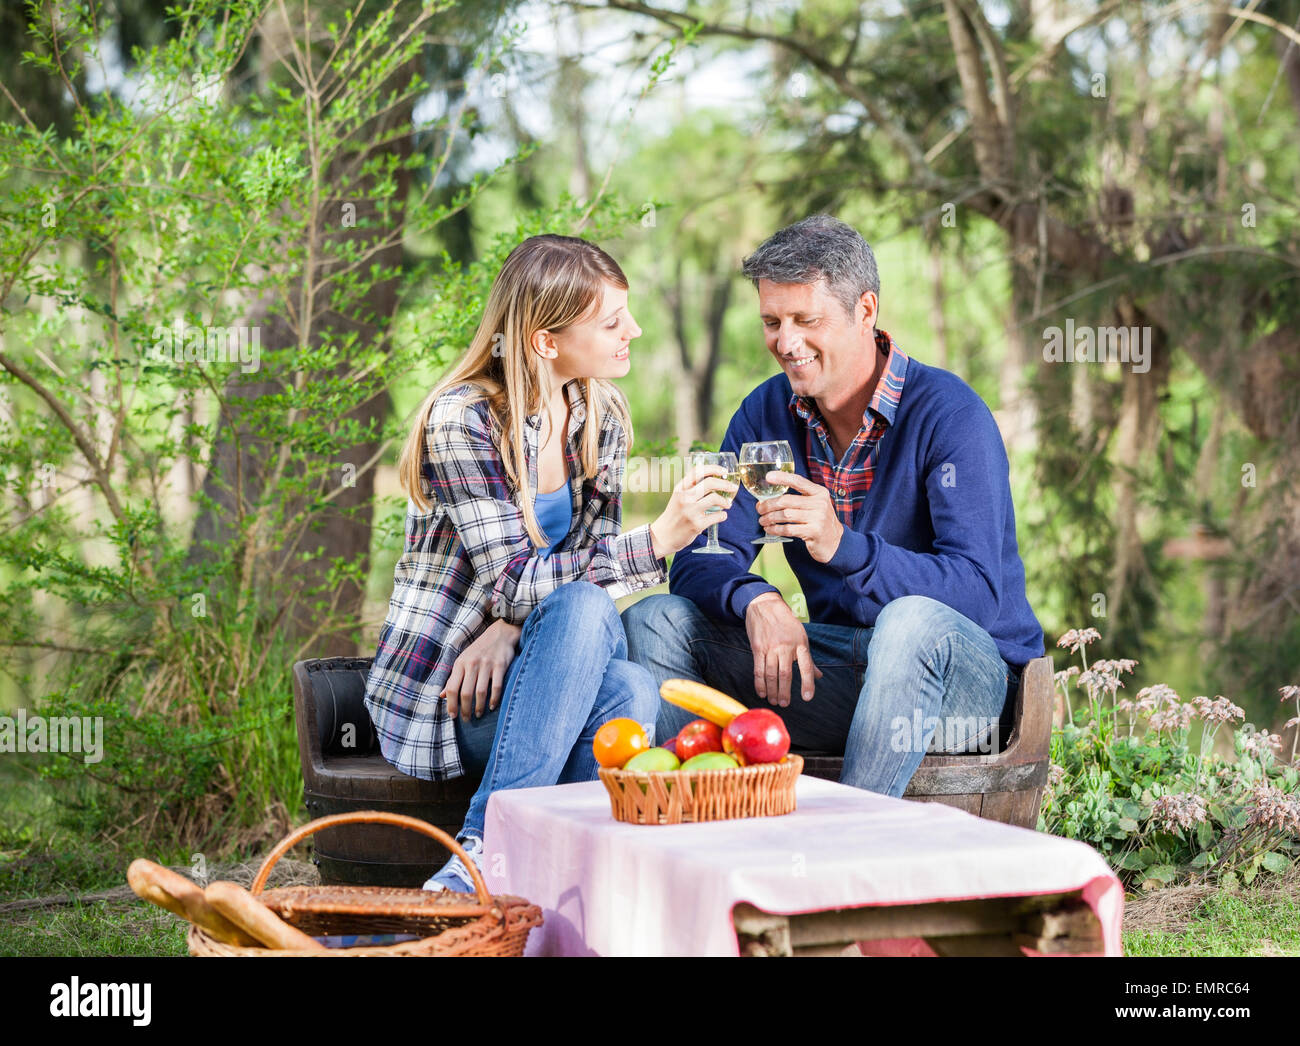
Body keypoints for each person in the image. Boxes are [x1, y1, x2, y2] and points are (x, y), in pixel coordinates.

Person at [623, 214, 1045, 798]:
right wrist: (755, 599)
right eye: (772, 322)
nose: (786, 342)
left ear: (865, 312)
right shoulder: (764, 417)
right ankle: (709, 828)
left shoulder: (951, 415)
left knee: (909, 622)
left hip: (967, 688)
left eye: (806, 320)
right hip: (842, 676)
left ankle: (848, 854)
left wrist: (843, 547)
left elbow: (976, 591)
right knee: (655, 621)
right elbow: (701, 556)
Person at [365, 234, 735, 892]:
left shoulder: (601, 414)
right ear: (543, 340)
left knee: (631, 690)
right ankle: (485, 852)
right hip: (449, 690)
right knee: (591, 609)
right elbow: (520, 580)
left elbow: (571, 569)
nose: (635, 330)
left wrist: (513, 626)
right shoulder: (464, 419)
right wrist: (659, 540)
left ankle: (551, 889)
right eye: (612, 321)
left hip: (532, 667)